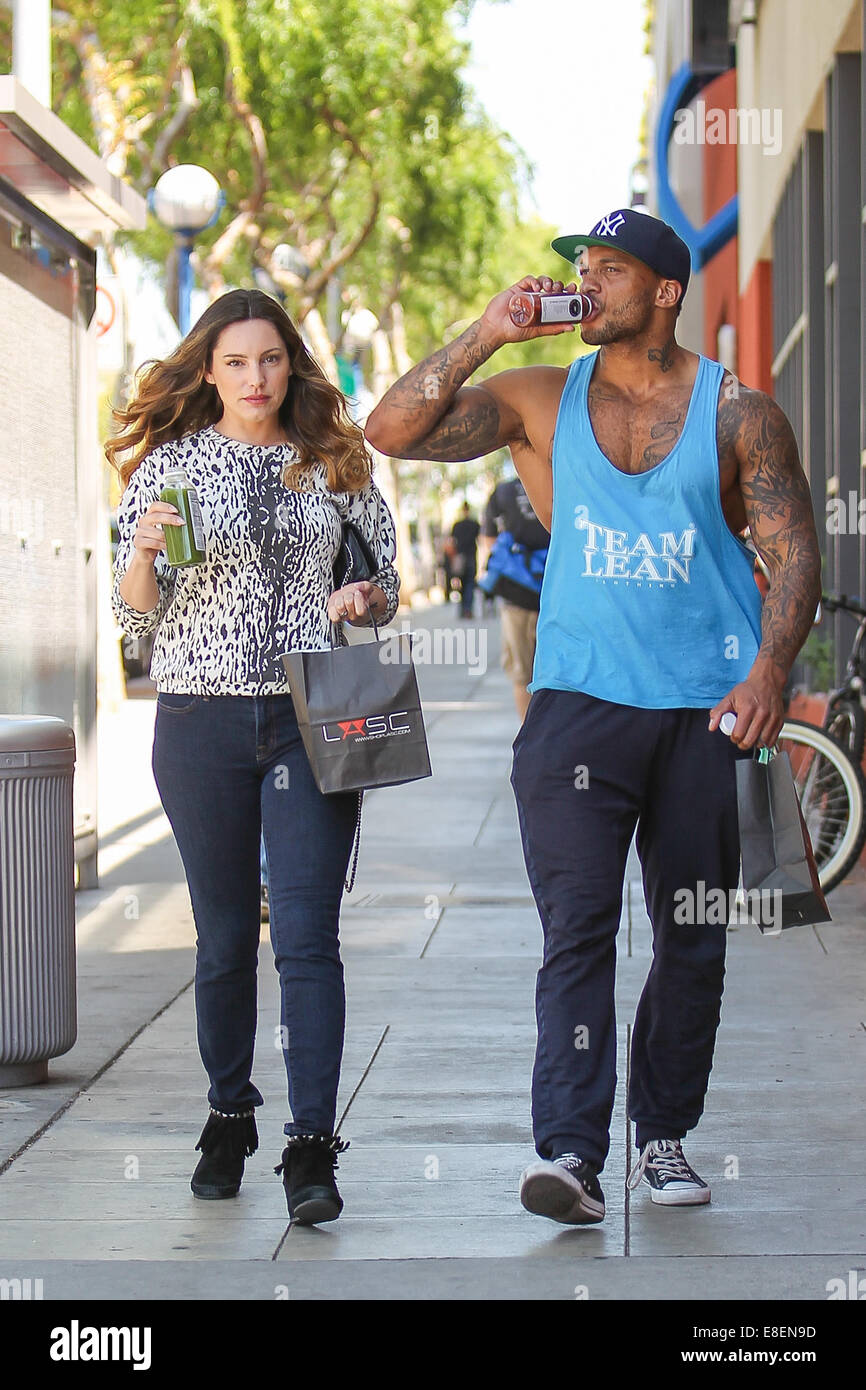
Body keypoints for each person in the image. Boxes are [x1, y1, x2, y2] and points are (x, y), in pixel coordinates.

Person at [364, 209, 821, 1225]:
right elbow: (388, 430)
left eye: (608, 271)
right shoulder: (538, 396)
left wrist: (769, 669)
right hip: (576, 711)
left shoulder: (738, 414)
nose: (586, 284)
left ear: (663, 292)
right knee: (575, 932)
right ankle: (569, 1151)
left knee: (689, 935)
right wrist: (487, 330)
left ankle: (659, 1135)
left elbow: (792, 550)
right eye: (583, 268)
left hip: (704, 713)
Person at [108, 288, 400, 1224]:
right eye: (236, 363)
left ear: (291, 362)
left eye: (270, 360)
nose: (256, 379)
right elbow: (132, 613)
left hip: (314, 711)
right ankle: (229, 1113)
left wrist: (363, 603)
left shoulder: (332, 462)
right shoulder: (172, 465)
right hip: (200, 719)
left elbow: (383, 580)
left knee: (309, 936)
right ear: (208, 371)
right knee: (227, 938)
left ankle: (312, 1146)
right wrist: (146, 553)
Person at [480, 475, 549, 719]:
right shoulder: (559, 476)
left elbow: (490, 541)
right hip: (559, 593)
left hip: (517, 596)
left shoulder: (503, 491)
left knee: (522, 675)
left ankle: (528, 739)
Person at [450, 501, 480, 618]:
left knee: (461, 584)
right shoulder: (474, 524)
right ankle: (467, 609)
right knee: (470, 584)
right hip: (471, 557)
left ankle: (463, 608)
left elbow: (452, 542)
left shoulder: (457, 525)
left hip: (460, 557)